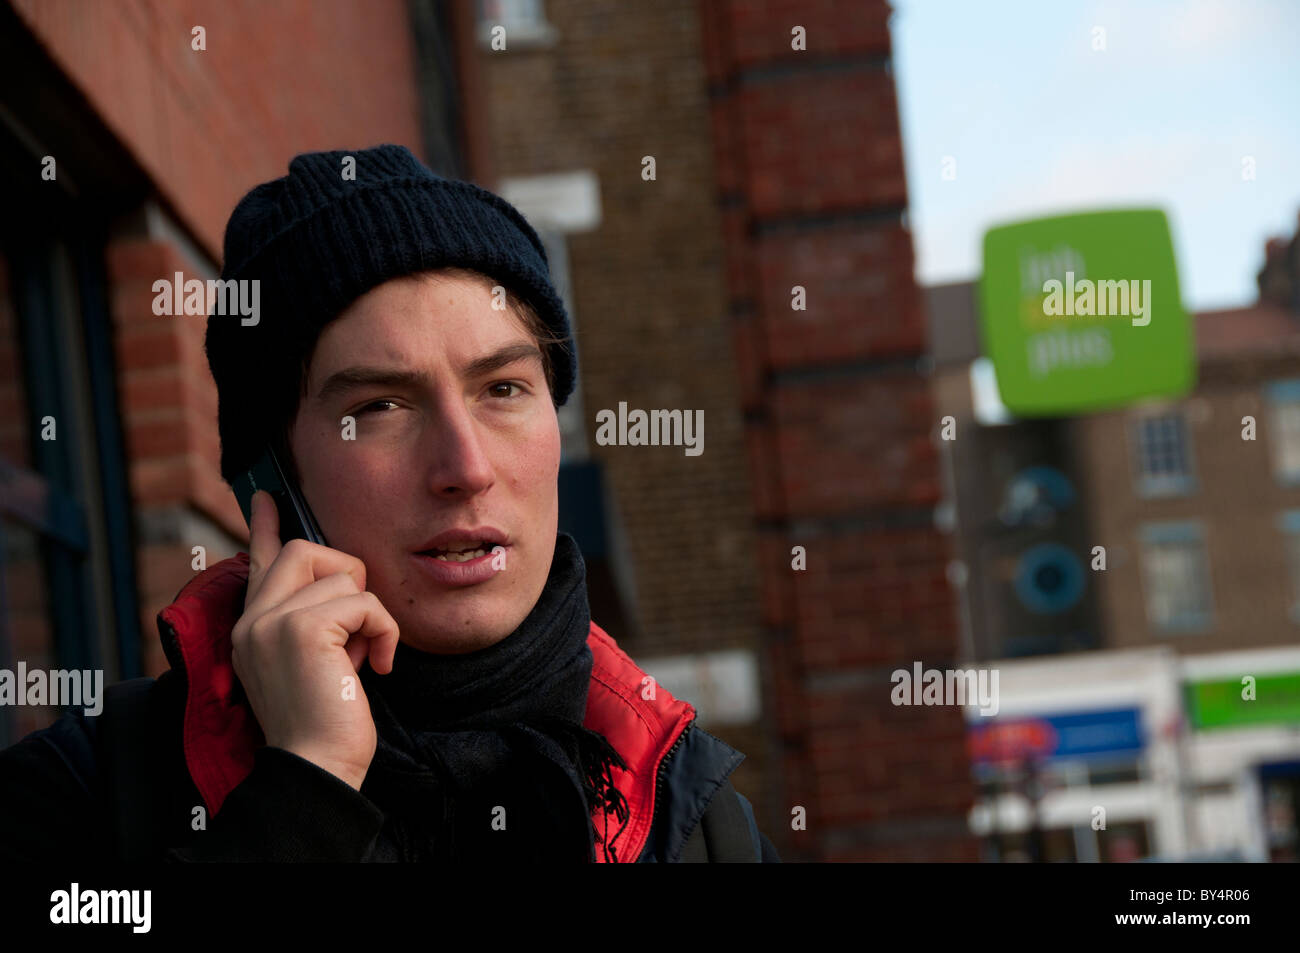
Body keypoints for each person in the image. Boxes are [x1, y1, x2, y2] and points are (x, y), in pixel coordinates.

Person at [0, 144, 779, 863]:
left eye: (503, 388)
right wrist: (303, 792)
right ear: (269, 484)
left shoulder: (695, 813)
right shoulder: (84, 796)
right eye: (379, 406)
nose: (465, 467)